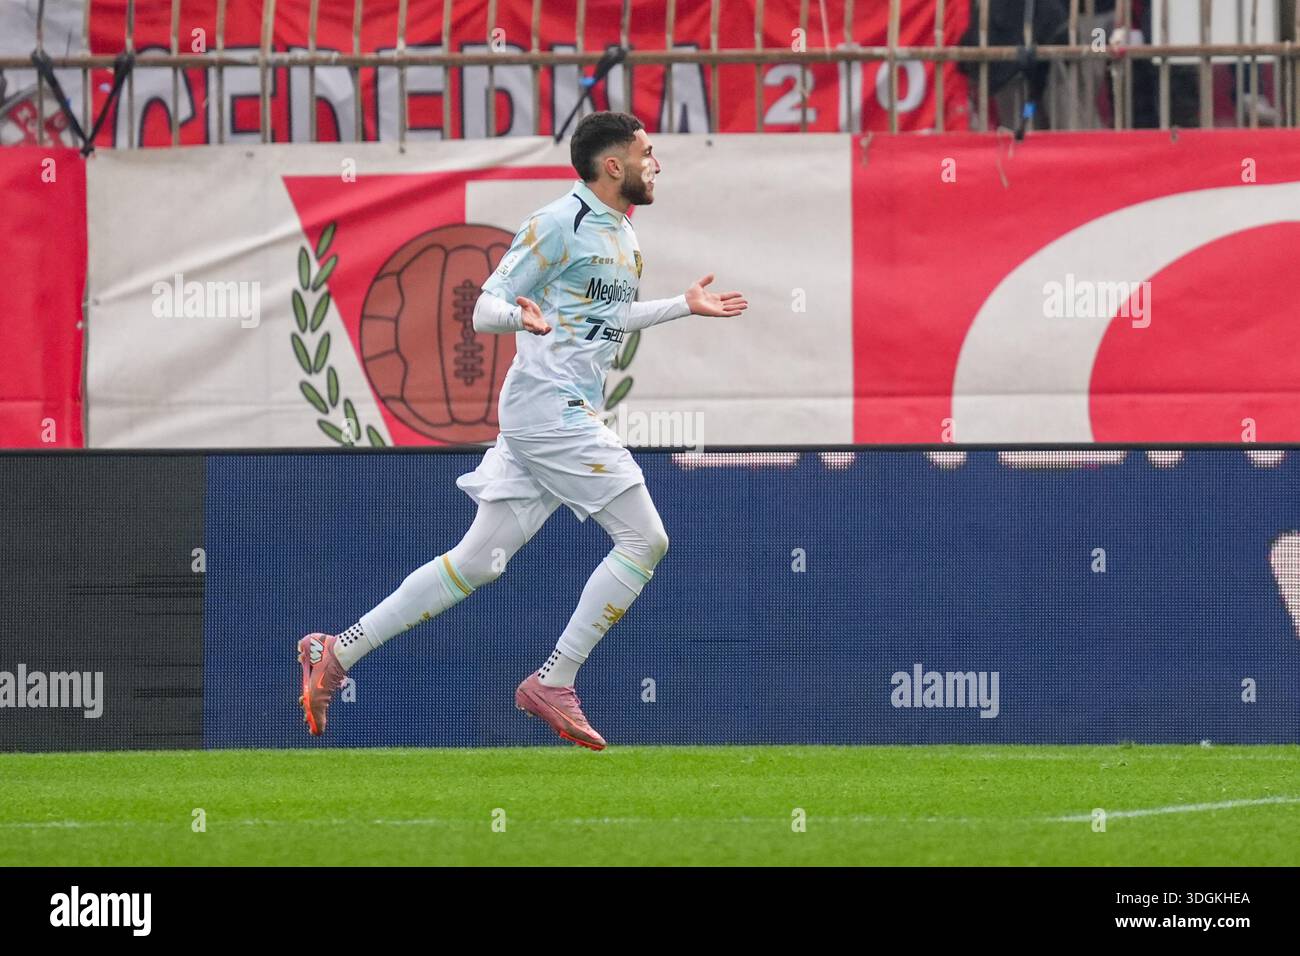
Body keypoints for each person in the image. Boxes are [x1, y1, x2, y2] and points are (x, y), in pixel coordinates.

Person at [297, 111, 747, 750]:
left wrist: (681, 306)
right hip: (547, 409)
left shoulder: (623, 234)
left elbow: (607, 318)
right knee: (645, 539)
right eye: (647, 153)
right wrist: (521, 319)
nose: (657, 163)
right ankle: (553, 680)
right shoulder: (557, 222)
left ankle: (335, 651)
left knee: (477, 562)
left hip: (558, 413)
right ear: (612, 165)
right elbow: (484, 307)